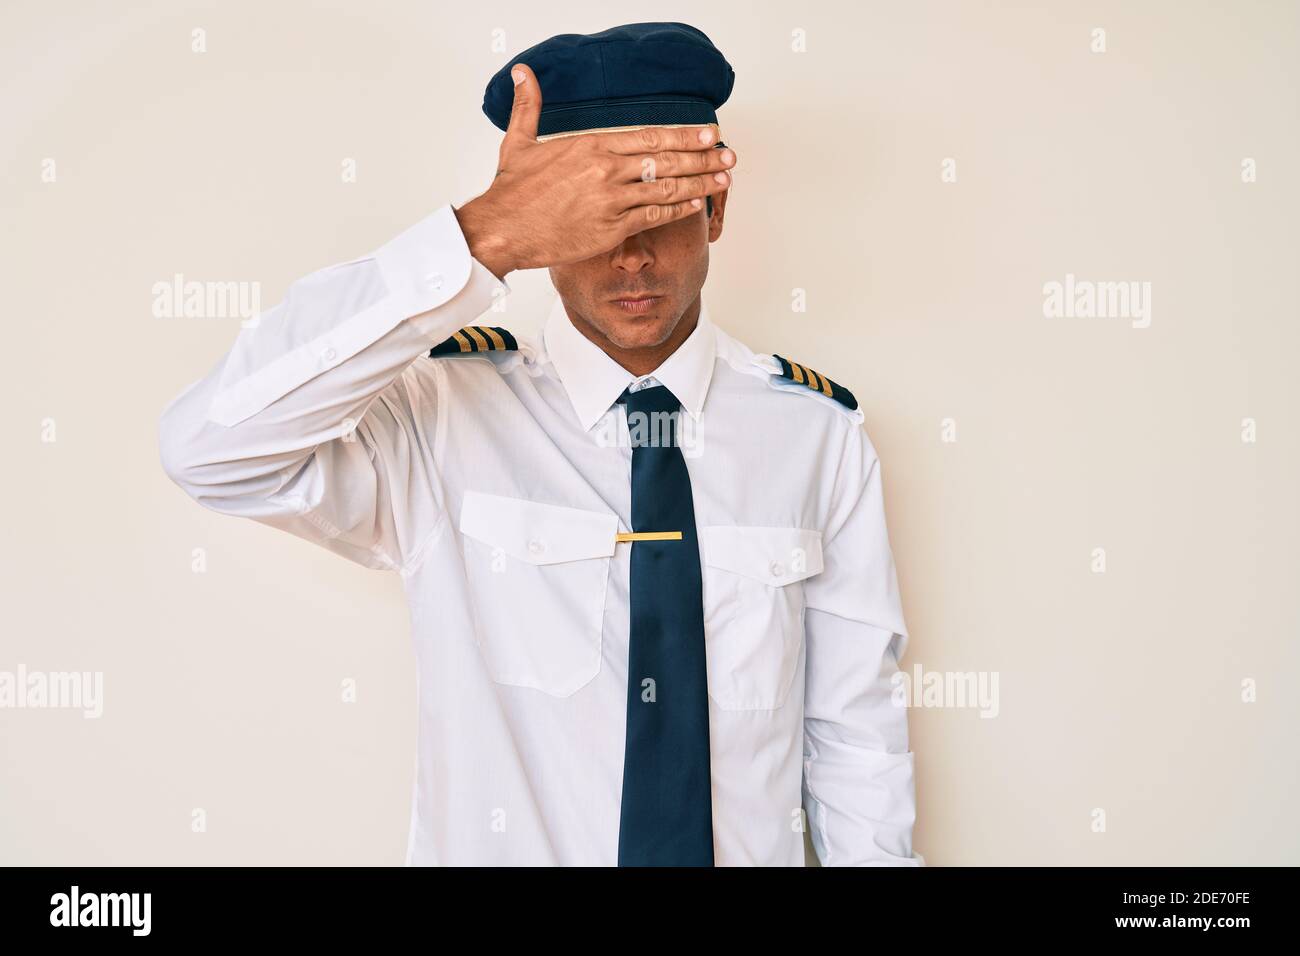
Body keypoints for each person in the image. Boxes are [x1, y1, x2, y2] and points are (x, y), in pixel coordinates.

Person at [159, 21, 921, 866]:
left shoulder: (817, 433)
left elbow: (856, 738)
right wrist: (480, 236)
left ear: (716, 208)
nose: (629, 258)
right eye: (596, 219)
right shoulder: (438, 417)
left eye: (660, 208)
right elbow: (208, 450)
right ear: (544, 229)